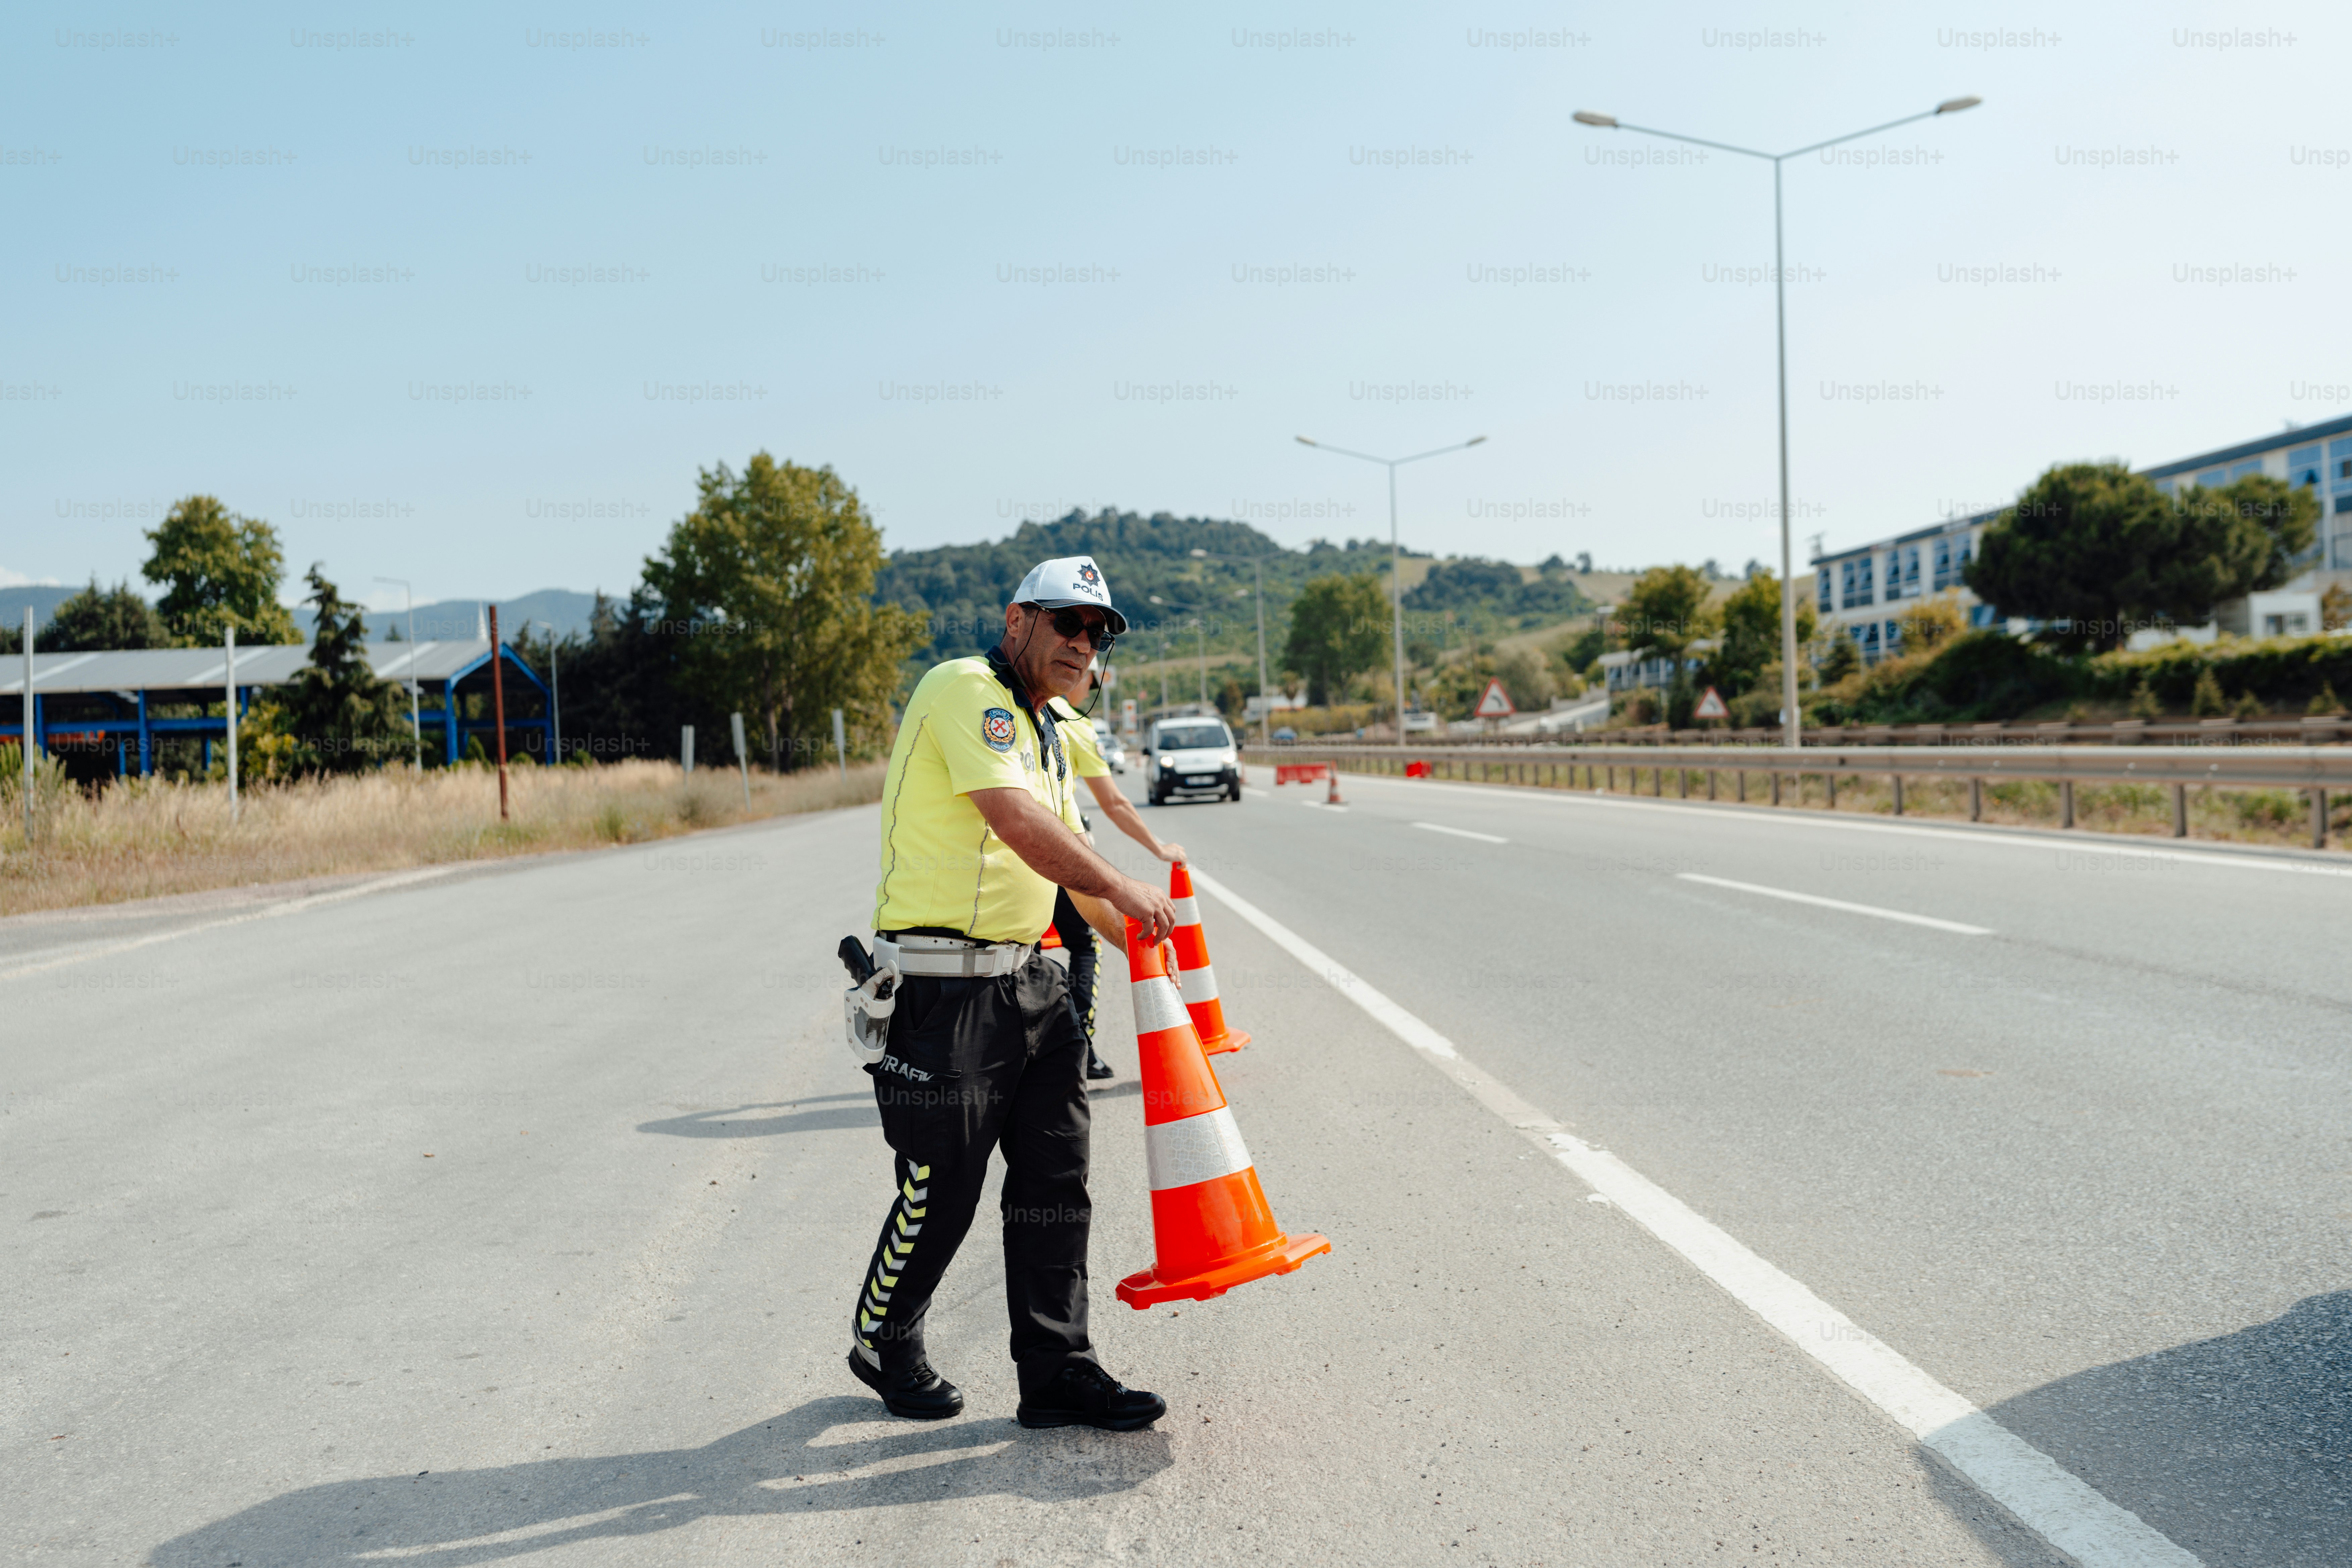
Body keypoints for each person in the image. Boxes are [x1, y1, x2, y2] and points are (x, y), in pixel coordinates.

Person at [850, 554, 1175, 1433]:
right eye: (1068, 622)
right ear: (1016, 619)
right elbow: (1020, 825)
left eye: (1099, 631)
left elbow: (1074, 874)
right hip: (942, 988)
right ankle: (885, 1336)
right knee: (942, 1185)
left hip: (1032, 983)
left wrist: (1142, 940)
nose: (1084, 642)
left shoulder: (1047, 729)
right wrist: (1134, 890)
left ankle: (1058, 1369)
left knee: (1055, 1180)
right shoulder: (965, 690)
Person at [1045, 662, 1186, 1082]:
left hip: (1012, 858)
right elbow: (1115, 803)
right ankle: (1081, 1047)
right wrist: (1159, 849)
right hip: (1063, 853)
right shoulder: (1074, 723)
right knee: (1086, 944)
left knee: (1023, 952)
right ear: (1084, 677)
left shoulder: (1025, 708)